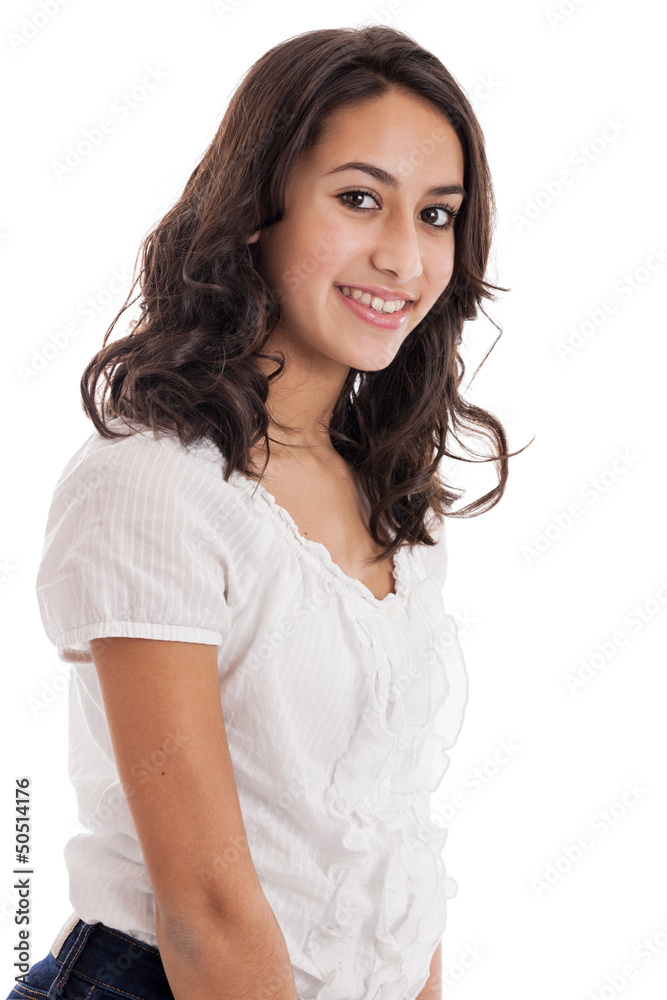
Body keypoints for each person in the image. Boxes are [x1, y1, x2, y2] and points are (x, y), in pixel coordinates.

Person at [9, 23, 527, 1000]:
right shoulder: (156, 485)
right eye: (360, 198)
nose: (403, 257)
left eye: (435, 215)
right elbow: (206, 910)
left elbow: (389, 842)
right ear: (258, 207)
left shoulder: (387, 485)